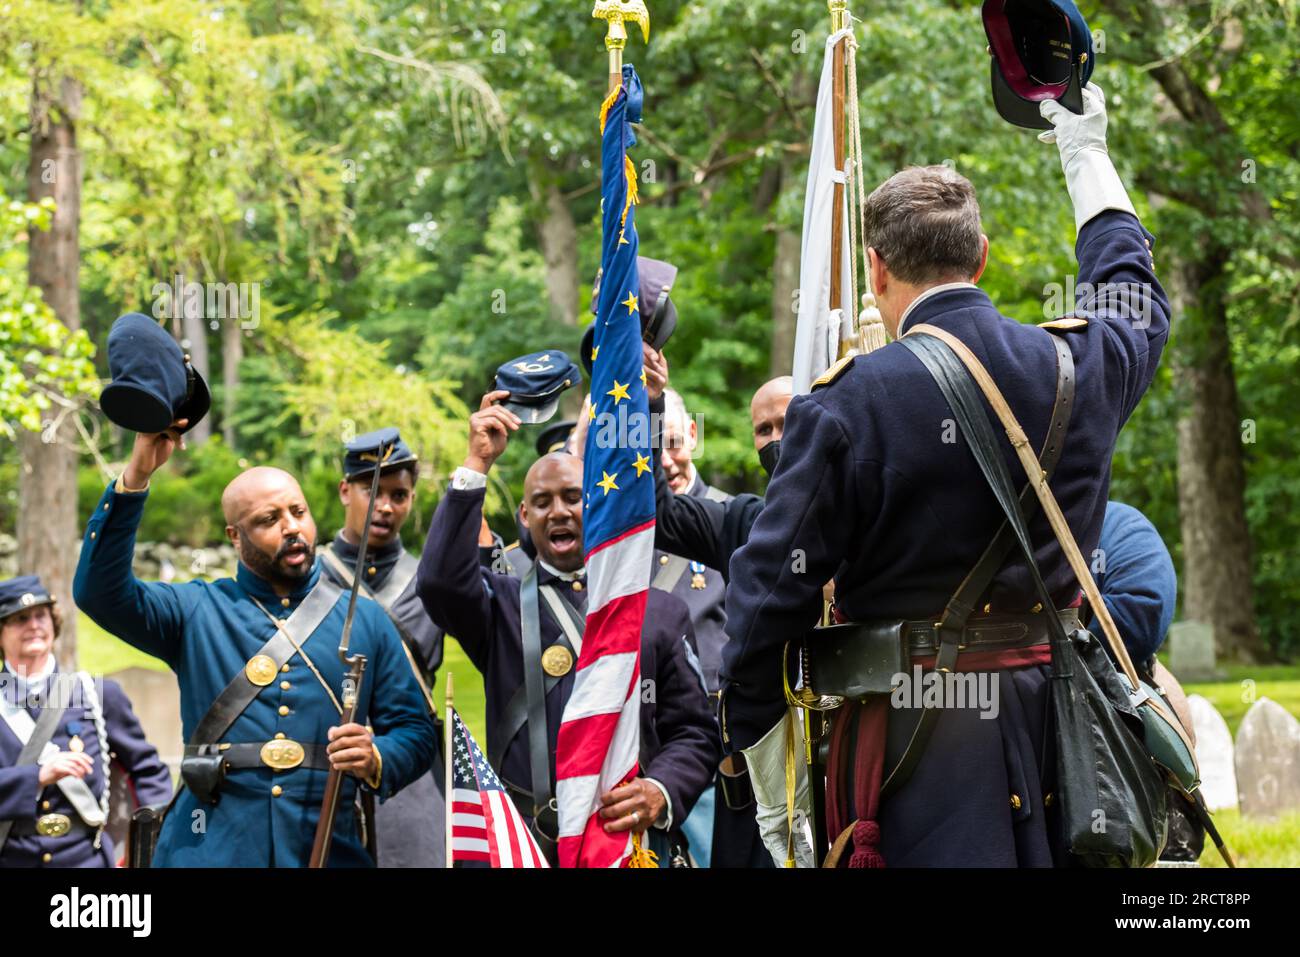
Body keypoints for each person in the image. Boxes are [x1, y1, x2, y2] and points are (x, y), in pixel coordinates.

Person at [721, 84, 1169, 866]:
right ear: (982, 257)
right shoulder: (1077, 365)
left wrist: (777, 796)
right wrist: (1084, 152)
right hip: (1064, 745)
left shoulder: (842, 406)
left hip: (907, 757)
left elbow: (761, 613)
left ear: (876, 267)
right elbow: (1132, 289)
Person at [73, 421, 436, 867]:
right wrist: (136, 478)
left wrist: (375, 755)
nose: (291, 528)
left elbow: (416, 731)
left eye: (298, 512)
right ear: (234, 536)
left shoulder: (366, 618)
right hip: (210, 851)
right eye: (269, 520)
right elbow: (97, 592)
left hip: (325, 849)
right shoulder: (195, 610)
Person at [415, 389, 719, 866]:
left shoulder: (658, 610)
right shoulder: (500, 606)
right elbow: (438, 582)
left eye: (573, 498)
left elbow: (695, 733)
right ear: (525, 517)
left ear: (598, 504)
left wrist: (660, 791)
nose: (558, 511)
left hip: (630, 846)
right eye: (541, 502)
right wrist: (477, 462)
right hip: (531, 845)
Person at [317, 427, 446, 868]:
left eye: (399, 494)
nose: (385, 506)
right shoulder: (309, 580)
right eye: (371, 490)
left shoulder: (433, 581)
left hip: (413, 770)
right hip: (325, 761)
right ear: (344, 490)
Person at [0, 575, 172, 867]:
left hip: (86, 862)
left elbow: (148, 771)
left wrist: (146, 844)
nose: (34, 625)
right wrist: (36, 777)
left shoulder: (98, 694)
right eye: (20, 618)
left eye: (41, 615)